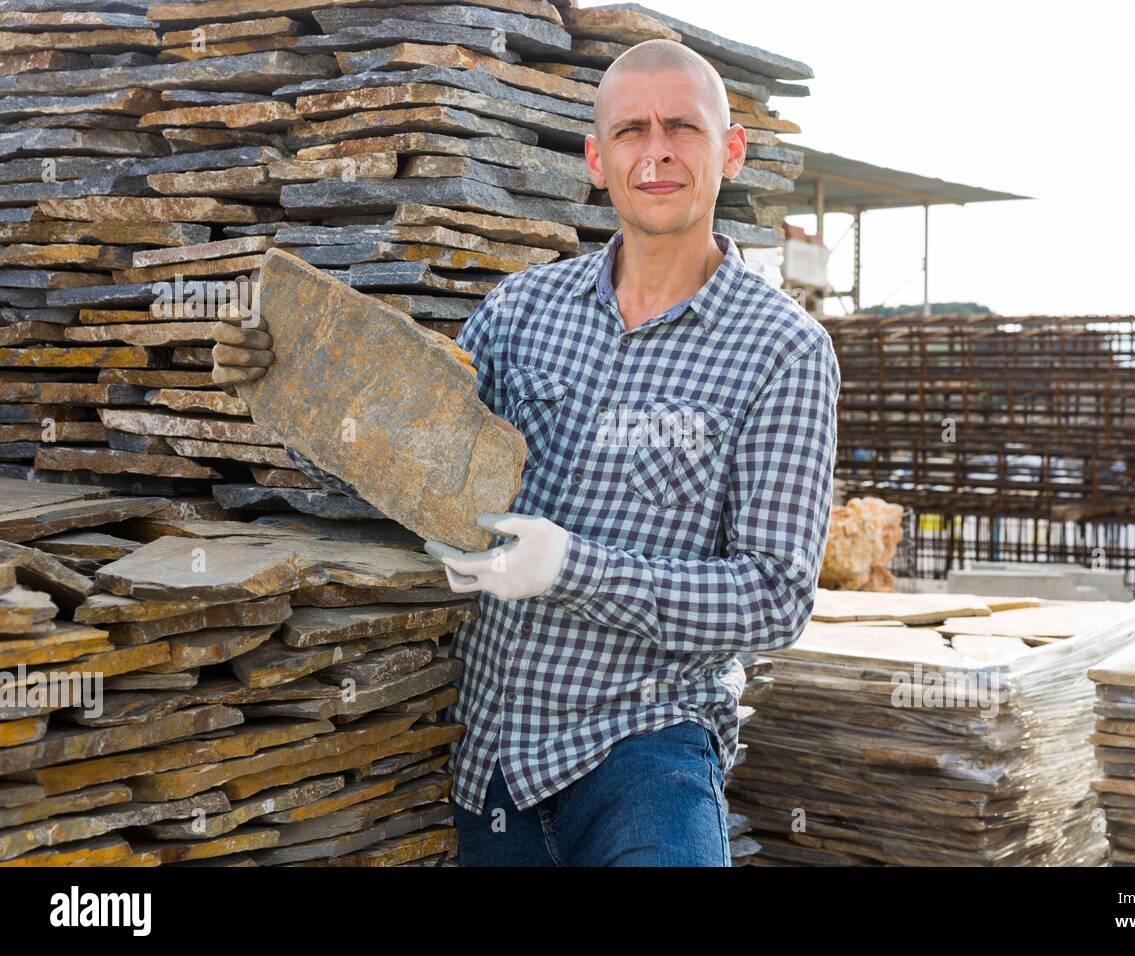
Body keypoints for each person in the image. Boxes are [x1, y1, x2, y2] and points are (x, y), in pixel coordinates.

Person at [212, 38, 840, 867]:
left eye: (683, 128)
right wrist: (276, 378)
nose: (656, 152)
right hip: (496, 767)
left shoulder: (784, 350)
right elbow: (413, 463)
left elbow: (774, 596)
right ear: (594, 159)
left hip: (646, 756)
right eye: (631, 131)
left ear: (731, 149)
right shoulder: (521, 311)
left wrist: (572, 569)